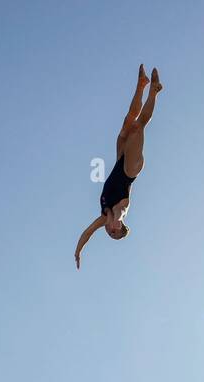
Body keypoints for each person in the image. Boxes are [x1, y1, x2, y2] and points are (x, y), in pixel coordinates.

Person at [75, 65, 162, 269]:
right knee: (139, 126)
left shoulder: (103, 217)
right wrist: (117, 218)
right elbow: (121, 212)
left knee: (128, 122)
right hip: (130, 168)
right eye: (115, 232)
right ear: (120, 226)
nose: (109, 230)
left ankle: (141, 85)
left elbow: (87, 232)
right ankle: (154, 91)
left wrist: (78, 250)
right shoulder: (122, 210)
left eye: (109, 233)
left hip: (119, 159)